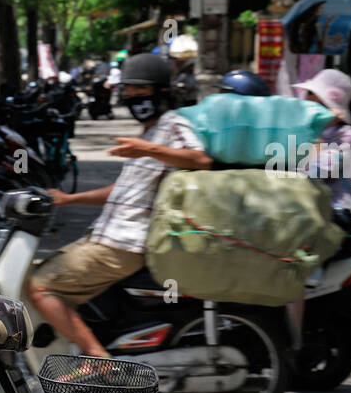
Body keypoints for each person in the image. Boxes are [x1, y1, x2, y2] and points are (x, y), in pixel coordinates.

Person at [26, 53, 212, 358]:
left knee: (42, 287)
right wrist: (70, 199)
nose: (135, 98)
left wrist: (147, 149)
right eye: (130, 91)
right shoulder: (152, 131)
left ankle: (98, 360)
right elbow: (122, 191)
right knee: (46, 274)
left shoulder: (172, 124)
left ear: (163, 92)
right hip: (107, 236)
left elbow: (201, 160)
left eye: (143, 91)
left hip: (124, 243)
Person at [292, 68, 351, 220]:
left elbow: (314, 173)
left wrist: (319, 130)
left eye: (311, 94)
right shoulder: (303, 130)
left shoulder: (347, 136)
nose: (305, 99)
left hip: (337, 216)